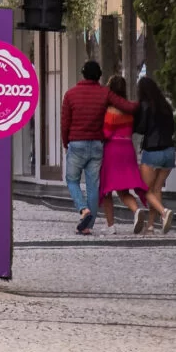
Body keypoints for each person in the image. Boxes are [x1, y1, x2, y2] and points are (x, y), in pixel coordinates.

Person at [59, 61, 114, 235]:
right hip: (97, 144)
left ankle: (83, 210)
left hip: (77, 142)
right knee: (93, 186)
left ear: (83, 74)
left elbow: (65, 122)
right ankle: (88, 227)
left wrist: (65, 142)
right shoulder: (105, 94)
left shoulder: (70, 94)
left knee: (72, 180)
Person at [98, 76, 145, 232]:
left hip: (113, 150)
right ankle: (136, 210)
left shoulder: (110, 111)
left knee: (107, 190)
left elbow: (106, 133)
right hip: (128, 148)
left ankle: (111, 226)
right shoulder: (129, 111)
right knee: (124, 190)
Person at [132, 74, 176, 234]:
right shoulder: (165, 105)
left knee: (145, 190)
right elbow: (172, 128)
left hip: (152, 151)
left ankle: (164, 212)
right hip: (169, 151)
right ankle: (150, 226)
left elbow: (141, 128)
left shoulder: (145, 106)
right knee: (156, 189)